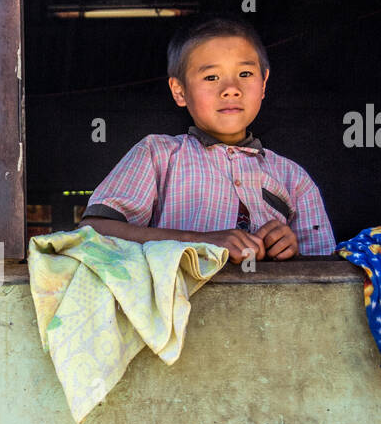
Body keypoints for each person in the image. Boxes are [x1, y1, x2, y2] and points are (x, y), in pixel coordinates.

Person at [80, 16, 336, 263]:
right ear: (179, 91)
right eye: (211, 77)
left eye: (245, 74)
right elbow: (93, 232)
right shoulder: (157, 154)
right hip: (178, 306)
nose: (231, 89)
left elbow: (328, 272)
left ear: (264, 83)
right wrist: (198, 242)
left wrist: (291, 251)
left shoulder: (294, 179)